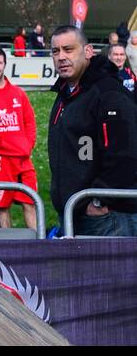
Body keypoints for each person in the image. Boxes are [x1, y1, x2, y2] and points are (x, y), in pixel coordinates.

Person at [47, 25, 137, 236]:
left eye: (69, 49)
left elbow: (126, 153)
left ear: (88, 51)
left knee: (113, 271)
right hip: (74, 212)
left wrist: (99, 201)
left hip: (107, 218)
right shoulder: (65, 94)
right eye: (55, 51)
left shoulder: (108, 93)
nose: (61, 57)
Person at [0, 47, 39, 232]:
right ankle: (8, 248)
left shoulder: (17, 92)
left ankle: (39, 247)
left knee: (31, 202)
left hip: (22, 158)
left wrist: (27, 146)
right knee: (2, 206)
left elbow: (29, 122)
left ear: (5, 64)